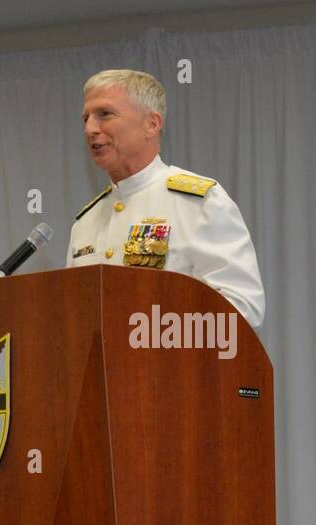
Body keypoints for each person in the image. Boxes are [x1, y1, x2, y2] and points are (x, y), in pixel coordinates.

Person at [66, 68, 265, 330]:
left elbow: (242, 309)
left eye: (105, 114)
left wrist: (150, 331)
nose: (90, 128)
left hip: (173, 369)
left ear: (152, 124)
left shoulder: (199, 203)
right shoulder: (86, 221)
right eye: (86, 119)